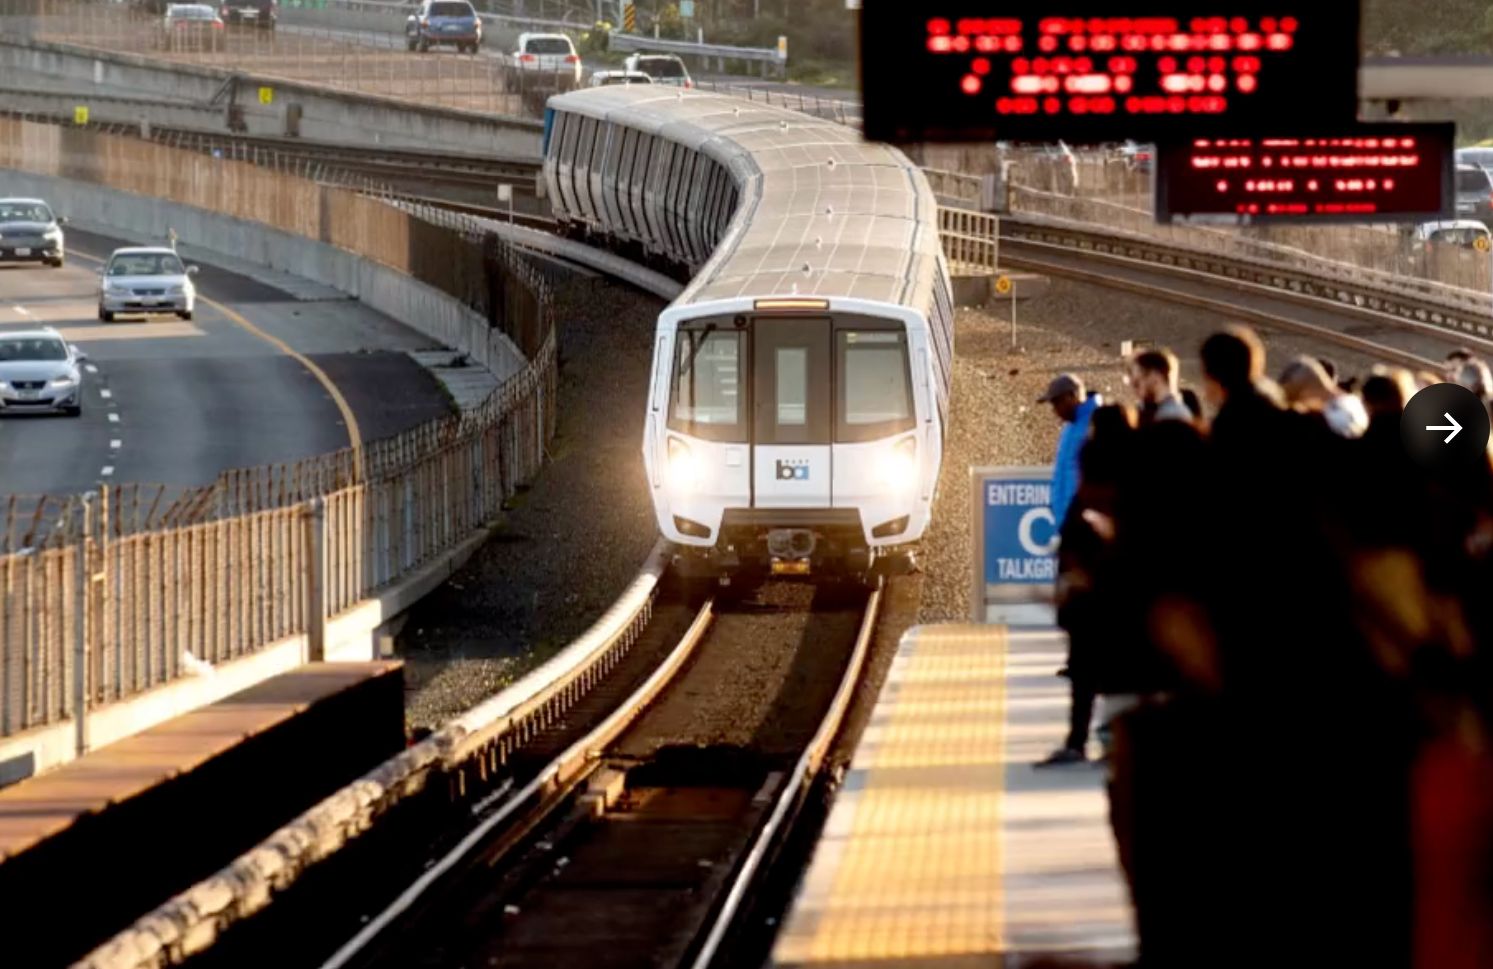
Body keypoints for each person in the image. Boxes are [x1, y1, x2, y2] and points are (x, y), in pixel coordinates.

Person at [1040, 403, 1132, 768]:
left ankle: (1078, 741)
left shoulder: (1092, 480)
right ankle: (1113, 741)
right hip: (1122, 592)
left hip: (1090, 593)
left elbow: (1075, 543)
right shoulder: (1136, 478)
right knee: (1117, 672)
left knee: (1085, 674)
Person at [1039, 373, 1101, 534]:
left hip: (1088, 526)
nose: (1054, 410)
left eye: (1057, 403)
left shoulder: (1098, 423)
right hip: (1069, 524)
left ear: (1072, 397)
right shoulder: (1070, 427)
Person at [1278, 355, 1369, 438]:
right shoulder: (1348, 402)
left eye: (1297, 399)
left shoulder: (1340, 413)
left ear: (1305, 392)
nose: (1298, 407)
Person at [1128, 348, 1192, 424]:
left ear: (1155, 376)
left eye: (1137, 383)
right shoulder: (1145, 410)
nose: (1134, 390)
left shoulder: (1173, 416)